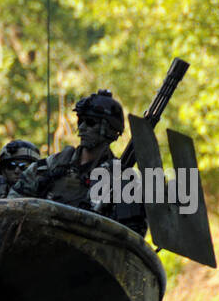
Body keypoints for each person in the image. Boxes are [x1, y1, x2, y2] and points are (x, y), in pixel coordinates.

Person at [10, 91, 133, 227]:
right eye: (80, 121)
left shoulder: (121, 179)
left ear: (110, 130)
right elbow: (13, 204)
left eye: (90, 123)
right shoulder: (52, 166)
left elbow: (130, 232)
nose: (82, 128)